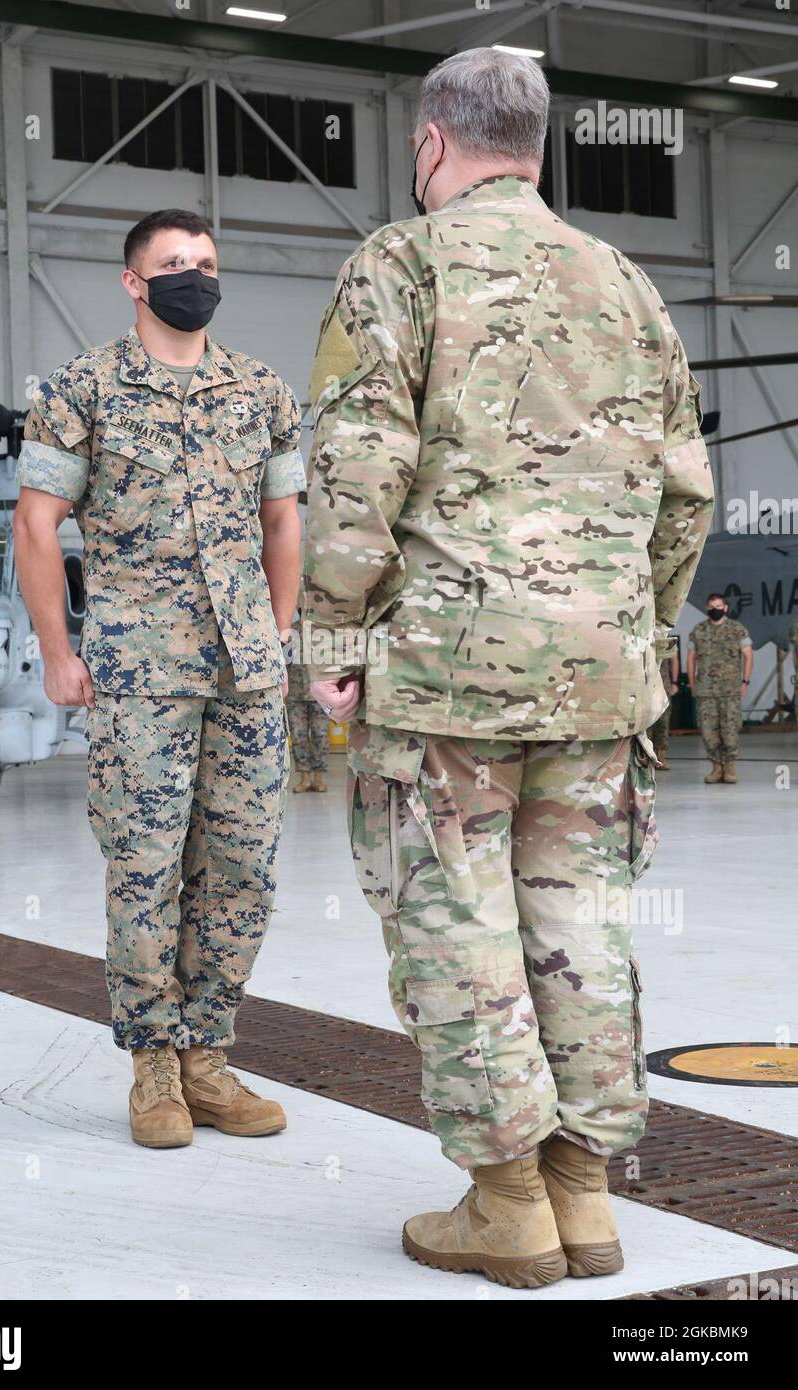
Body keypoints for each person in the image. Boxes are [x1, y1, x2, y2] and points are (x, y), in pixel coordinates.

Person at [303, 49, 713, 1287]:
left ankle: (505, 1203)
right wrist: (627, 628)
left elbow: (355, 469)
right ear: (535, 149)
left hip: (444, 677)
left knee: (457, 924)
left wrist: (330, 641)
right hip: (599, 678)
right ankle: (586, 1193)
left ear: (432, 145)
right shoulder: (628, 283)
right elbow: (688, 493)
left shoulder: (399, 262)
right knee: (580, 924)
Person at [14, 209, 304, 1149]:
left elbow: (284, 525)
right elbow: (35, 524)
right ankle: (152, 1070)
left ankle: (209, 1060)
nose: (195, 276)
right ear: (135, 283)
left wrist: (279, 632)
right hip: (140, 669)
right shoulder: (83, 389)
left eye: (207, 263)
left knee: (242, 872)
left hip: (245, 673)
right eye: (175, 264)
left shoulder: (262, 390)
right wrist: (61, 651)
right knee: (145, 869)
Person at [687, 594, 752, 784]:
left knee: (730, 729)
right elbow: (691, 658)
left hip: (730, 689)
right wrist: (692, 683)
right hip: (705, 690)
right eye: (711, 606)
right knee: (709, 730)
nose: (715, 609)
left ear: (725, 608)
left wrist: (744, 682)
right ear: (707, 609)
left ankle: (729, 767)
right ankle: (716, 767)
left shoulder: (737, 629)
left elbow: (748, 655)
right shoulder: (698, 631)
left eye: (718, 605)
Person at [286, 597, 330, 792]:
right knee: (298, 736)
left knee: (321, 735)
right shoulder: (289, 633)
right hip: (295, 694)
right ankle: (304, 778)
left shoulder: (323, 634)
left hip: (319, 695)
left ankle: (319, 778)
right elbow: (283, 662)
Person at [648, 642, 680, 770]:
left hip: (663, 684)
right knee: (645, 722)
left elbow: (674, 659)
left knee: (663, 721)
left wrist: (674, 682)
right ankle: (647, 756)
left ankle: (661, 756)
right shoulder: (639, 631)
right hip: (643, 684)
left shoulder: (665, 635)